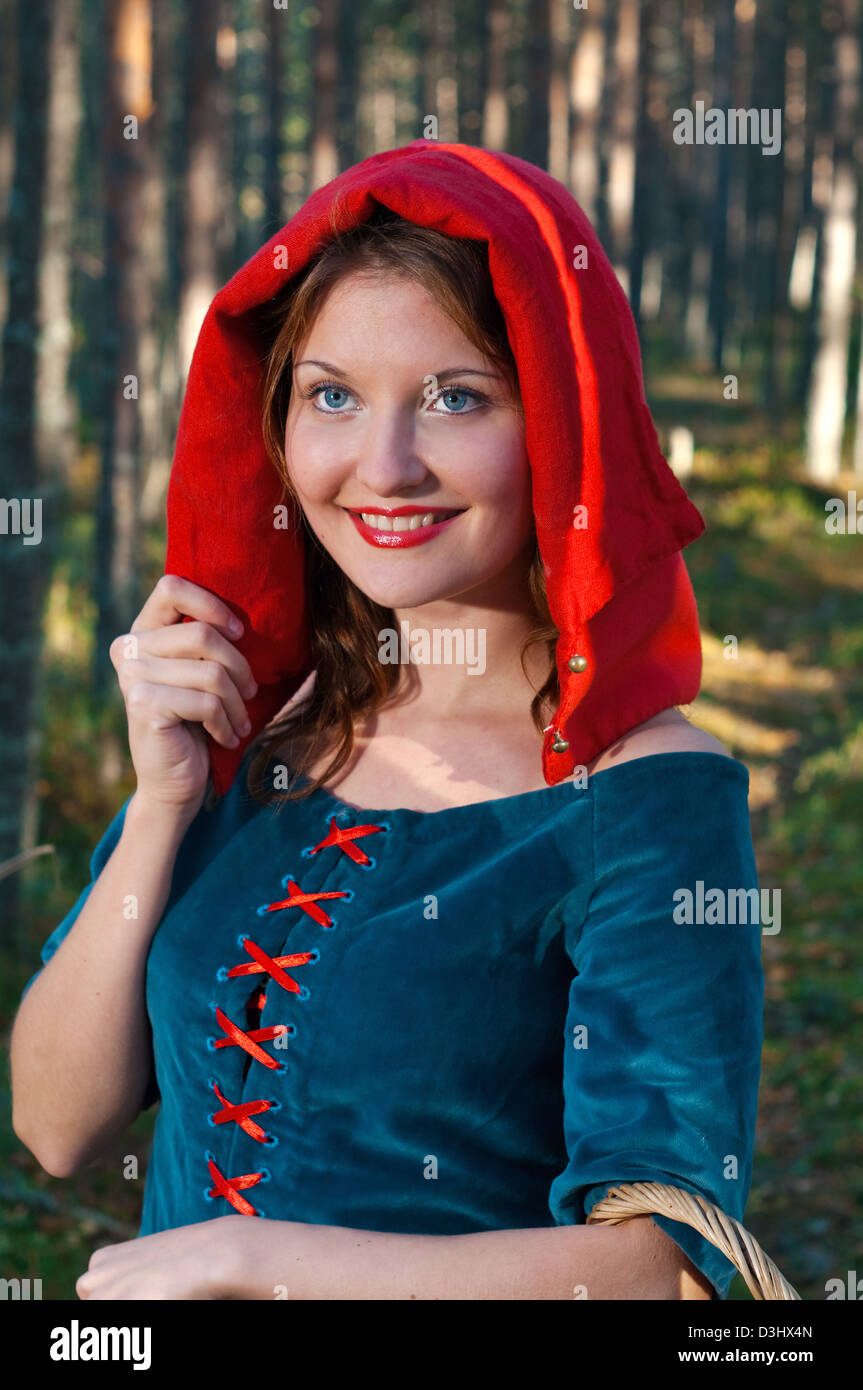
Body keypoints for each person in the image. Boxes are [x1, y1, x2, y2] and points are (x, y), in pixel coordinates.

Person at [10, 140, 763, 1300]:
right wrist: (163, 806)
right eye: (332, 397)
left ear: (561, 425)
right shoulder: (262, 730)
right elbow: (58, 1124)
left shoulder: (645, 800)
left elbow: (649, 1267)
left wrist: (251, 1257)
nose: (383, 465)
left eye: (455, 398)